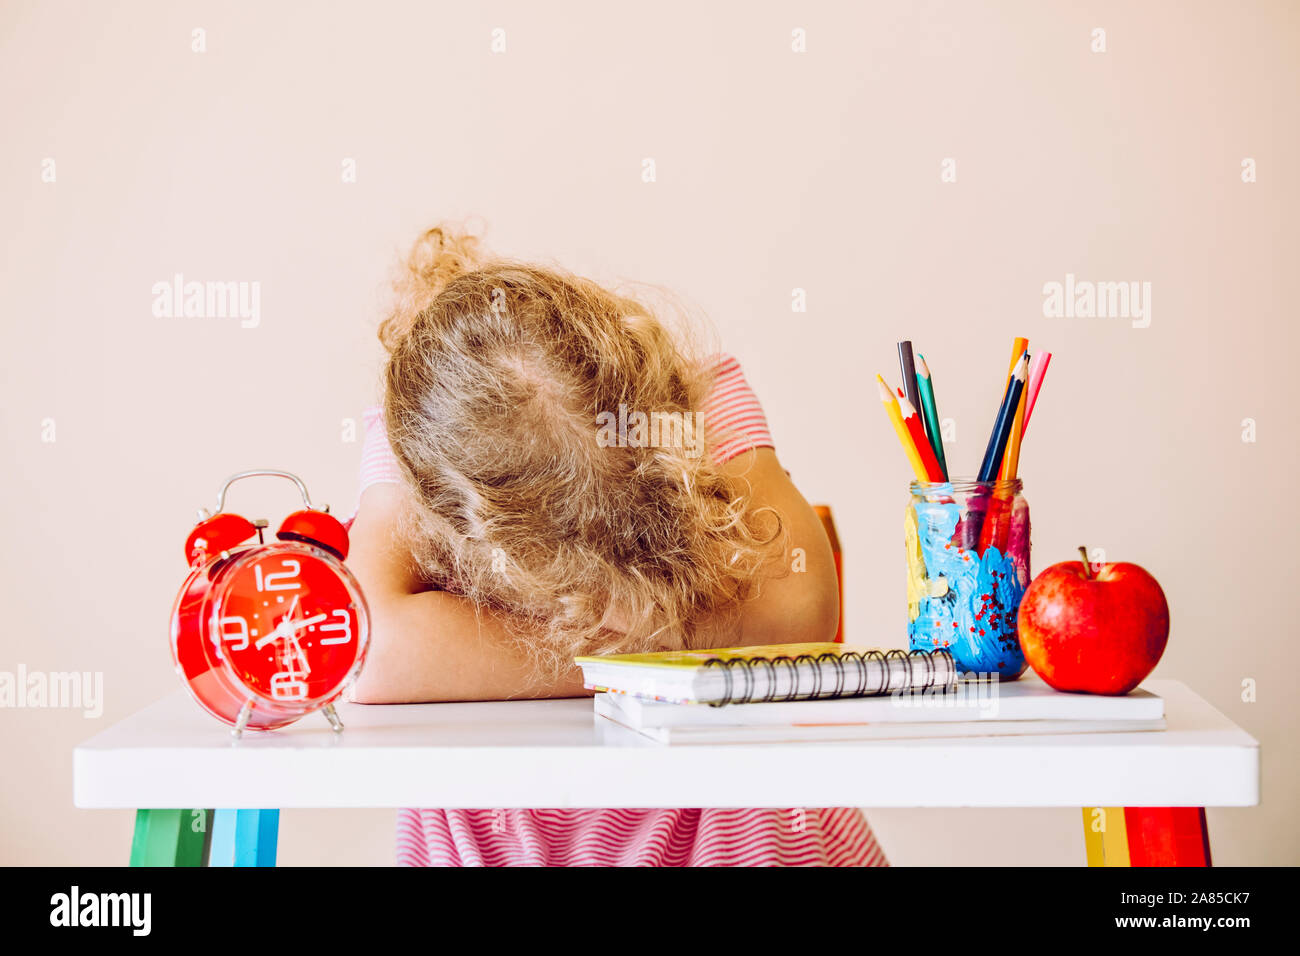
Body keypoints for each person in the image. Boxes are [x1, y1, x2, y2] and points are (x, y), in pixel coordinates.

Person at [346, 223, 887, 866]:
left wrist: (494, 652)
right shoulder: (422, 449)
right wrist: (664, 646)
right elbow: (367, 649)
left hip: (738, 834)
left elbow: (801, 612)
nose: (624, 608)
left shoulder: (701, 400)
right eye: (587, 588)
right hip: (503, 836)